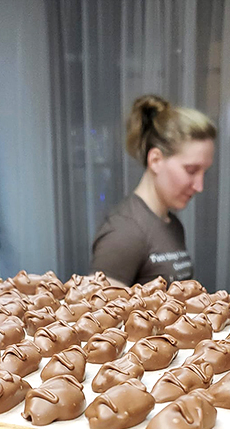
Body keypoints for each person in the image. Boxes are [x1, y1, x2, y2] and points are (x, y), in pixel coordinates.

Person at [90, 95, 216, 287]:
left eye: (204, 172)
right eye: (191, 170)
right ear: (156, 160)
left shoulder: (172, 225)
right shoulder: (124, 231)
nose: (199, 186)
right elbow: (100, 305)